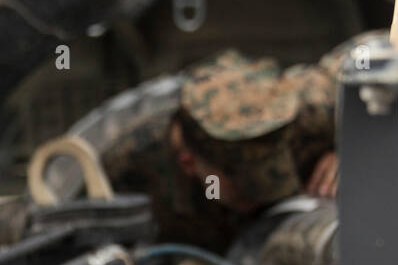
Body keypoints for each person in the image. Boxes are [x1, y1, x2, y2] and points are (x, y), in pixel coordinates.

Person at [98, 43, 352, 254]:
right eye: (247, 192)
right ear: (188, 163)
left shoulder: (313, 106)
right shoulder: (129, 168)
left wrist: (355, 150)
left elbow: (383, 52)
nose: (261, 199)